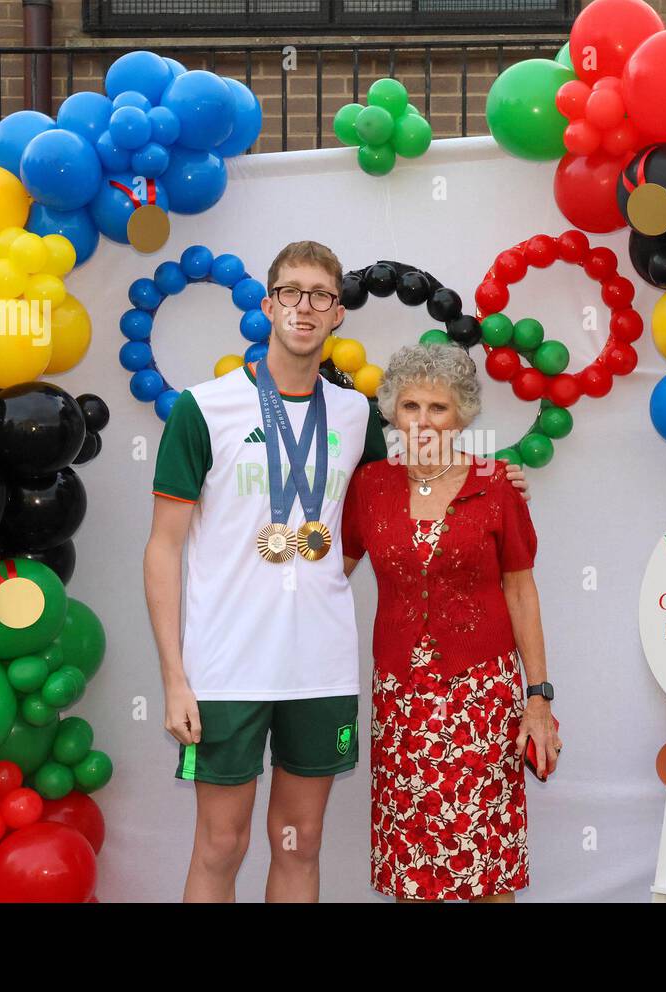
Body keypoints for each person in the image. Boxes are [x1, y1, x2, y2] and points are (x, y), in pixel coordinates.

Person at [144, 241, 527, 903]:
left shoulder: (355, 415)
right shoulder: (201, 409)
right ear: (268, 306)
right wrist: (174, 677)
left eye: (321, 295)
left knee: (302, 841)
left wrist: (491, 472)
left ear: (337, 315)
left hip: (319, 667)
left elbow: (407, 495)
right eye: (290, 292)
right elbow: (162, 549)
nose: (305, 307)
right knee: (219, 844)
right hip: (224, 667)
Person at [342, 344, 561, 903]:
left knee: (486, 864)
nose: (422, 420)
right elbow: (329, 575)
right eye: (410, 405)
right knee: (414, 864)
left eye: (437, 407)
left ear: (462, 413)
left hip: (482, 700)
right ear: (391, 411)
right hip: (402, 702)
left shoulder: (496, 486)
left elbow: (520, 590)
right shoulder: (368, 486)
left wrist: (538, 698)